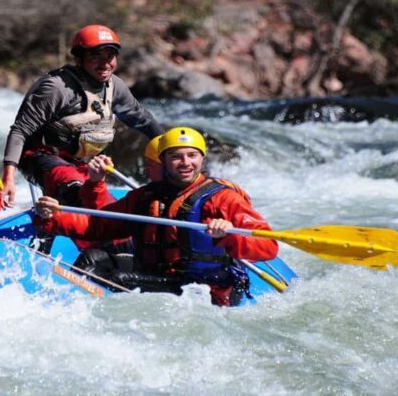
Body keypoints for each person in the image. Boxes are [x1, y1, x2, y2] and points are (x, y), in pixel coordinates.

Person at [35, 127, 278, 306]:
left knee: (121, 278)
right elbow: (100, 225)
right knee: (92, 258)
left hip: (203, 289)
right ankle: (71, 311)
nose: (185, 163)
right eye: (176, 156)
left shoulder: (222, 198)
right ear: (163, 161)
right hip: (158, 275)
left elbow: (268, 245)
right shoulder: (147, 196)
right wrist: (55, 216)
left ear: (202, 159)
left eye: (192, 156)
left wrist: (228, 236)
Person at [1, 24, 165, 208]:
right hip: (40, 157)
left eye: (109, 56)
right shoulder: (57, 88)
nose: (105, 64)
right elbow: (20, 131)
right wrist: (9, 178)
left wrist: (170, 148)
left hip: (79, 163)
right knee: (78, 197)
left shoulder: (115, 86)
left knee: (107, 212)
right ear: (79, 58)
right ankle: (58, 223)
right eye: (95, 56)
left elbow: (143, 120)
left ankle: (53, 228)